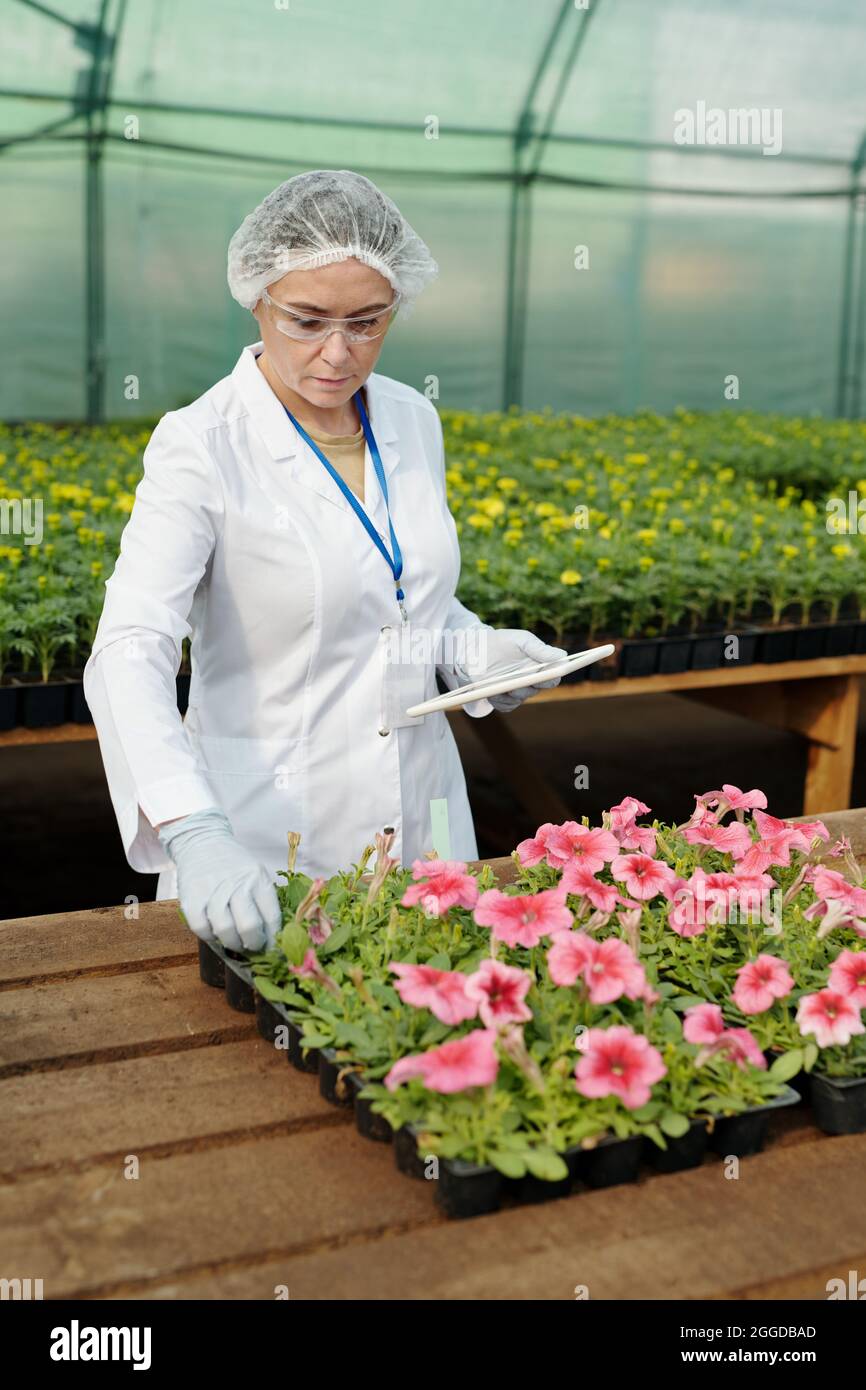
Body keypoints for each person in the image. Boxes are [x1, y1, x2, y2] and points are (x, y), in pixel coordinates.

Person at [84, 169, 566, 954]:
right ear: (257, 299)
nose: (338, 354)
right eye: (306, 321)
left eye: (367, 322)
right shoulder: (202, 445)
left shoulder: (411, 418)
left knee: (430, 1035)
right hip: (268, 837)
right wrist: (194, 829)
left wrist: (472, 648)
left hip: (424, 819)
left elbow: (406, 599)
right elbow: (129, 648)